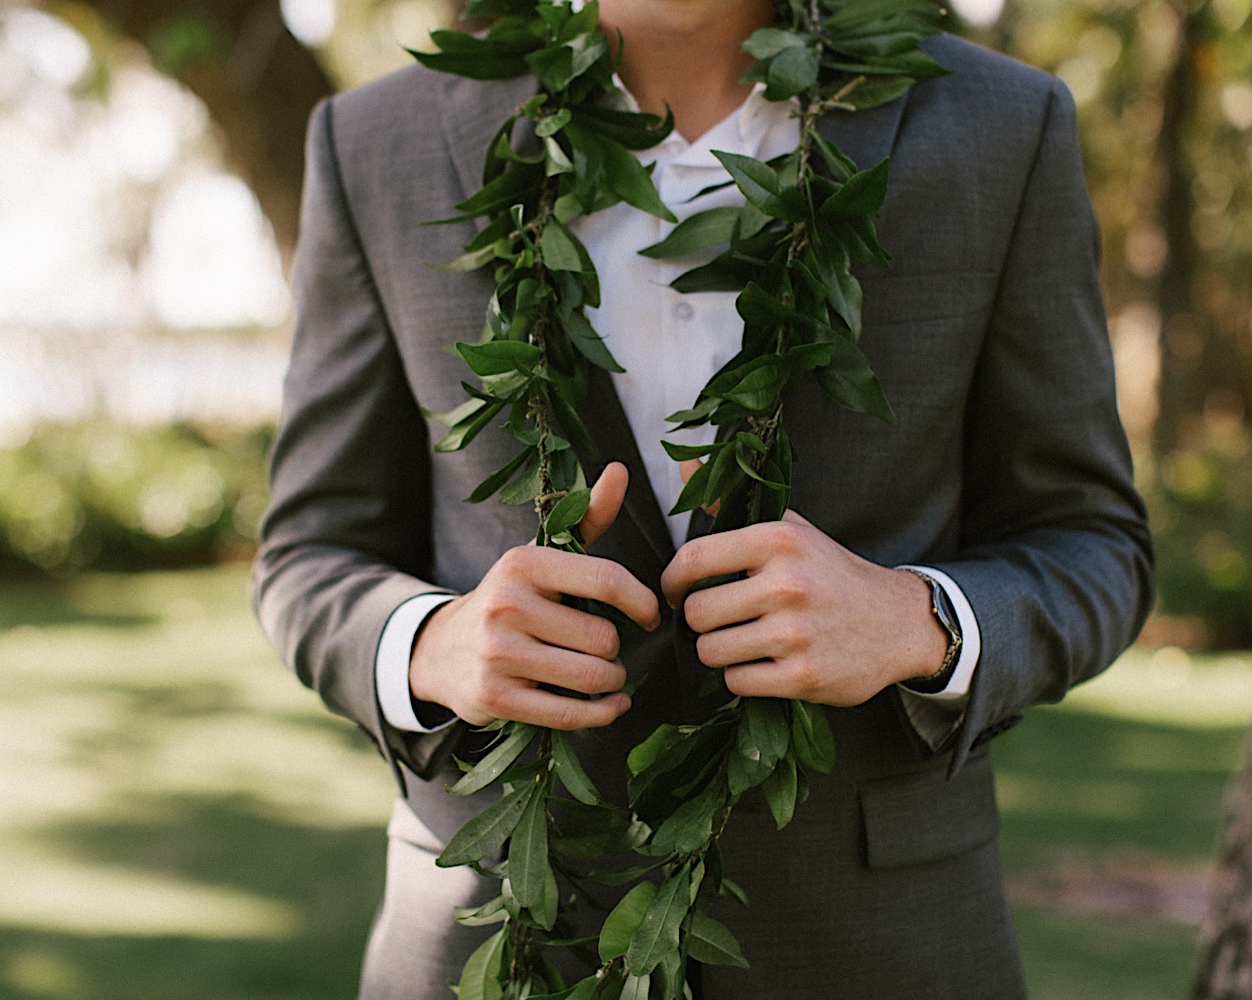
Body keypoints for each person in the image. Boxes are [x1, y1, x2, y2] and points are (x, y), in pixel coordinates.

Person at [252, 1, 1154, 997]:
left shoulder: (1000, 129)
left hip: (878, 947)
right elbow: (307, 553)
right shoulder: (379, 142)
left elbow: (1094, 542)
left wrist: (921, 623)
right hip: (495, 942)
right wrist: (428, 644)